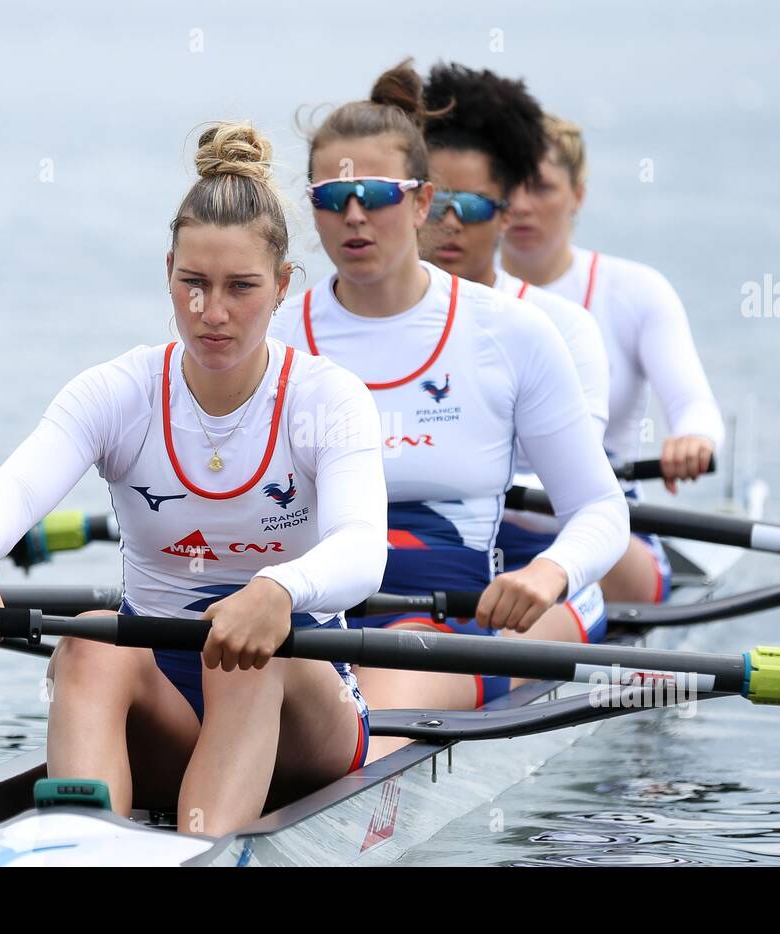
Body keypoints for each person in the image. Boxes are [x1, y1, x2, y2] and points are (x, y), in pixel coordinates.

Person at [0, 122, 388, 835]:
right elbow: (16, 485)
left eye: (241, 287)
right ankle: (83, 845)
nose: (213, 312)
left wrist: (277, 590)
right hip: (168, 709)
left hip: (303, 705)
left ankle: (198, 845)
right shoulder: (119, 391)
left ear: (284, 286)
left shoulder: (326, 399)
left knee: (242, 656)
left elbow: (363, 548)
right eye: (193, 284)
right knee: (87, 641)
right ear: (168, 268)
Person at [271, 62, 627, 760]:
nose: (352, 215)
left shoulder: (511, 332)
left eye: (374, 193)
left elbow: (601, 511)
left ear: (422, 199)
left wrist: (546, 575)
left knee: (341, 730)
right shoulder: (275, 333)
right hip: (305, 616)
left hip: (448, 624)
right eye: (330, 195)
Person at [419, 60, 610, 648]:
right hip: (403, 571)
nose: (450, 224)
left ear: (505, 210)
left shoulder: (561, 329)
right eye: (434, 203)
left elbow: (572, 501)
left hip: (535, 569)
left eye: (472, 206)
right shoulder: (356, 324)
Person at [500, 115, 725, 604]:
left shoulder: (635, 291)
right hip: (482, 522)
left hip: (606, 518)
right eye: (509, 188)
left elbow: (694, 405)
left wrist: (693, 439)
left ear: (578, 195)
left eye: (540, 188)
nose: (520, 206)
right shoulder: (458, 296)